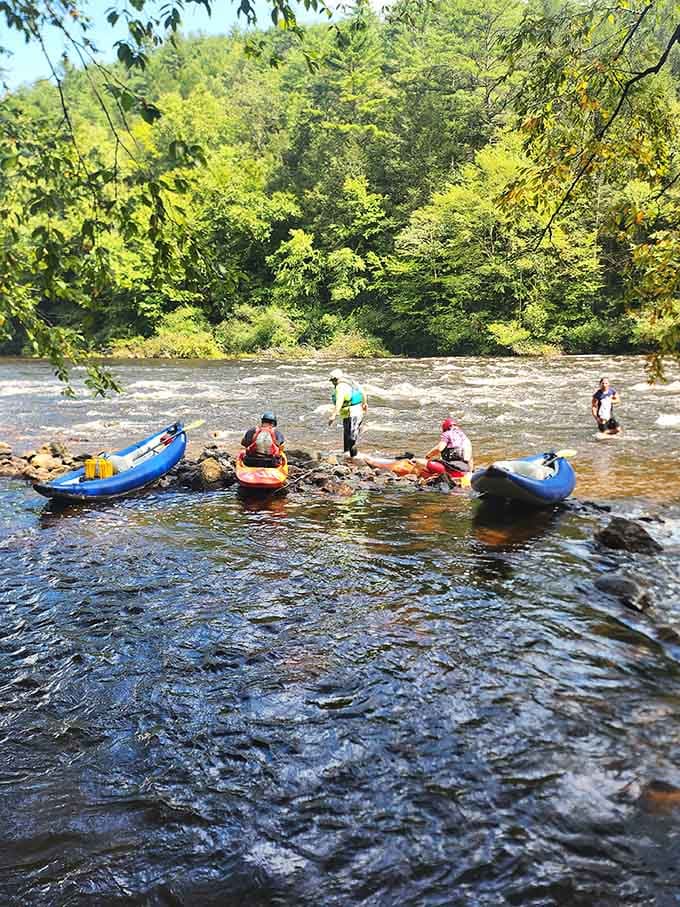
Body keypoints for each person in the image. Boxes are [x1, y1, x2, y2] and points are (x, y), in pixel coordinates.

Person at [327, 369, 367, 458]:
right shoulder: (352, 382)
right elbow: (363, 392)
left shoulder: (340, 387)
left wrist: (333, 415)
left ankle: (354, 457)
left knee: (351, 438)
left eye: (332, 381)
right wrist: (364, 403)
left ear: (335, 379)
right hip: (354, 412)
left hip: (352, 413)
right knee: (348, 435)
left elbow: (339, 402)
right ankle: (347, 455)